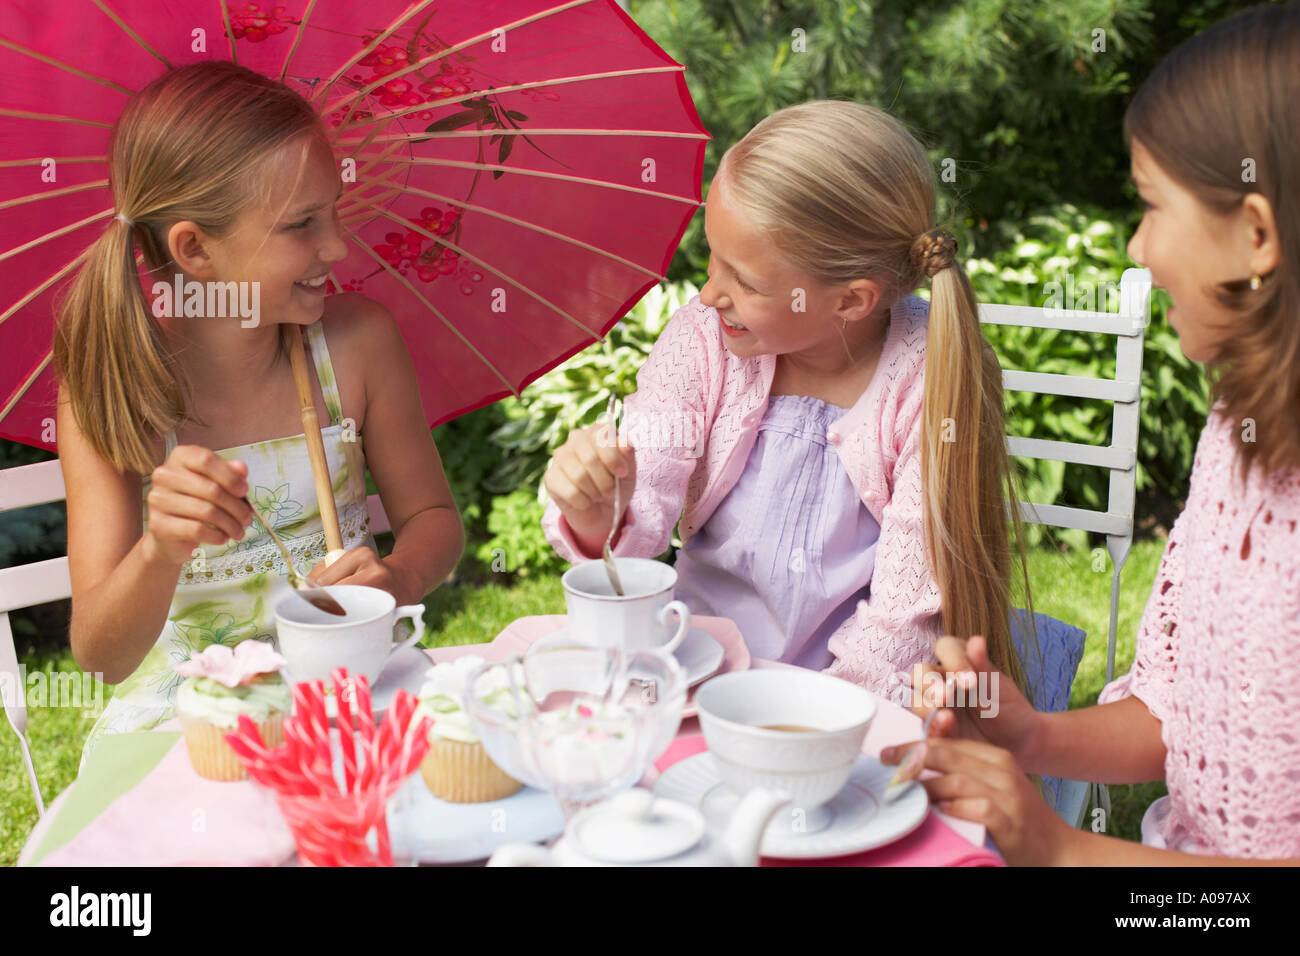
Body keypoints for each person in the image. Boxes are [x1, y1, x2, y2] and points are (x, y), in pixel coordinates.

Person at [884, 4, 1300, 864]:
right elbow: (1176, 714)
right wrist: (1029, 735)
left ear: (1255, 234)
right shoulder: (1237, 436)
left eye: (1151, 206)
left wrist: (1060, 850)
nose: (1140, 250)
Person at [542, 101, 1036, 705]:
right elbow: (641, 506)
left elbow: (903, 623)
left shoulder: (927, 380)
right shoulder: (704, 339)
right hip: (688, 671)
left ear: (851, 302)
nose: (708, 293)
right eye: (711, 258)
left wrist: (801, 725)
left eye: (745, 281)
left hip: (847, 703)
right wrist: (598, 512)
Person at [54, 62, 463, 759]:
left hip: (347, 687)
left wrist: (398, 577)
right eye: (302, 224)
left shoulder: (357, 344)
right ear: (195, 250)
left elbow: (435, 521)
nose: (336, 247)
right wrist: (159, 549)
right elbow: (99, 659)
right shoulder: (110, 389)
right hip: (187, 720)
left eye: (332, 210)